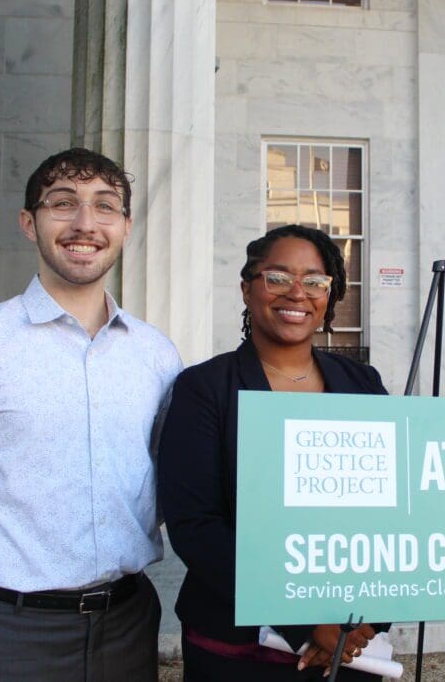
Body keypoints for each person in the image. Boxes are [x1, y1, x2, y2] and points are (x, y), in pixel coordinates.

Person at [0, 148, 182, 681]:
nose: (85, 224)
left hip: (127, 625)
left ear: (127, 226)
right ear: (30, 222)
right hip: (9, 631)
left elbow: (163, 477)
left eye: (105, 206)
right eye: (63, 204)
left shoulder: (157, 354)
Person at [158, 224, 388, 681]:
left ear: (330, 296)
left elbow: (389, 514)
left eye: (315, 281)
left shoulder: (363, 384)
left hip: (351, 640)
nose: (296, 293)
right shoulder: (204, 389)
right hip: (237, 647)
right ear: (247, 289)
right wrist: (304, 622)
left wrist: (366, 619)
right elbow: (195, 525)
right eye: (277, 277)